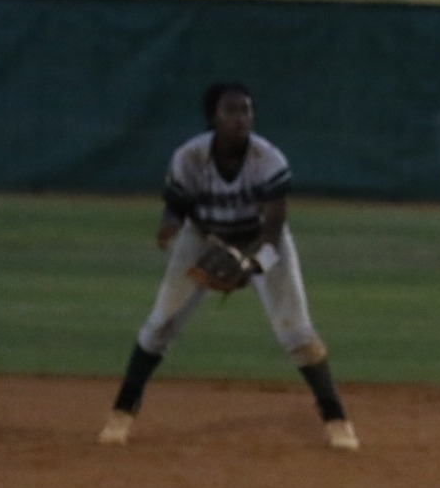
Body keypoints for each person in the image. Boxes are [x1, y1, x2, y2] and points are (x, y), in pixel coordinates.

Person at [97, 82, 358, 451]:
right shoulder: (189, 157)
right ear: (212, 118)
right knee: (161, 323)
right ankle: (122, 411)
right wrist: (169, 222)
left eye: (246, 111)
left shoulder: (268, 160)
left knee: (297, 332)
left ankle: (336, 419)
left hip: (262, 241)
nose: (240, 119)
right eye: (231, 111)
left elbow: (273, 230)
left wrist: (249, 266)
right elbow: (177, 203)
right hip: (203, 237)